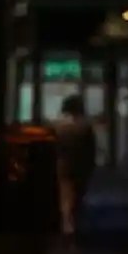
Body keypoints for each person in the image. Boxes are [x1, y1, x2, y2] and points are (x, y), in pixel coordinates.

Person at [54, 95, 96, 244]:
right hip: (81, 166)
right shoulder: (85, 126)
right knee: (78, 196)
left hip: (64, 166)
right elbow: (91, 150)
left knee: (66, 197)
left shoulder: (60, 126)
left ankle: (67, 227)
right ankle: (76, 225)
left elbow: (56, 148)